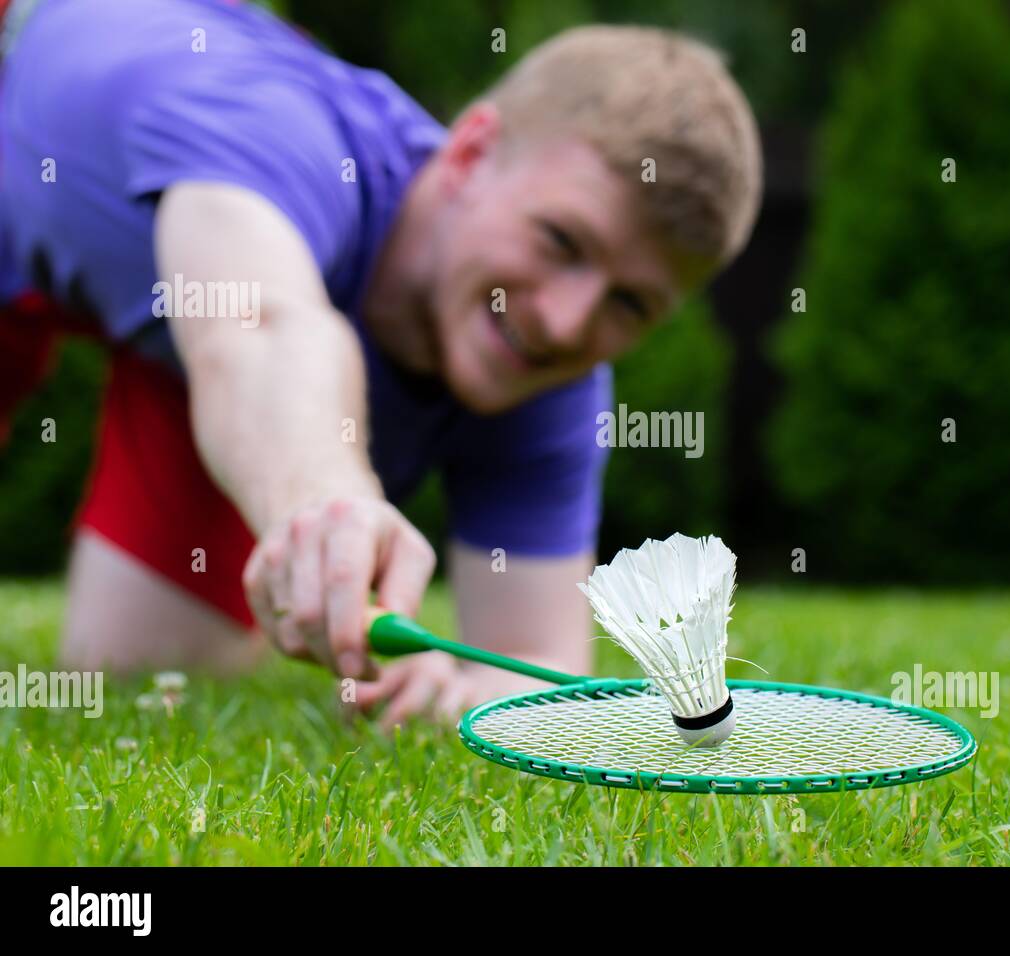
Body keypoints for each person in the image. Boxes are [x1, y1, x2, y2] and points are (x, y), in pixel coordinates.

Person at [0, 0, 761, 728]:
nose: (565, 322)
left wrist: (454, 690)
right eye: (561, 241)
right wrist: (325, 506)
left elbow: (532, 663)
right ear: (466, 155)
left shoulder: (549, 373)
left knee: (136, 669)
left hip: (178, 348)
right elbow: (258, 324)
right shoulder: (273, 134)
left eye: (630, 303)